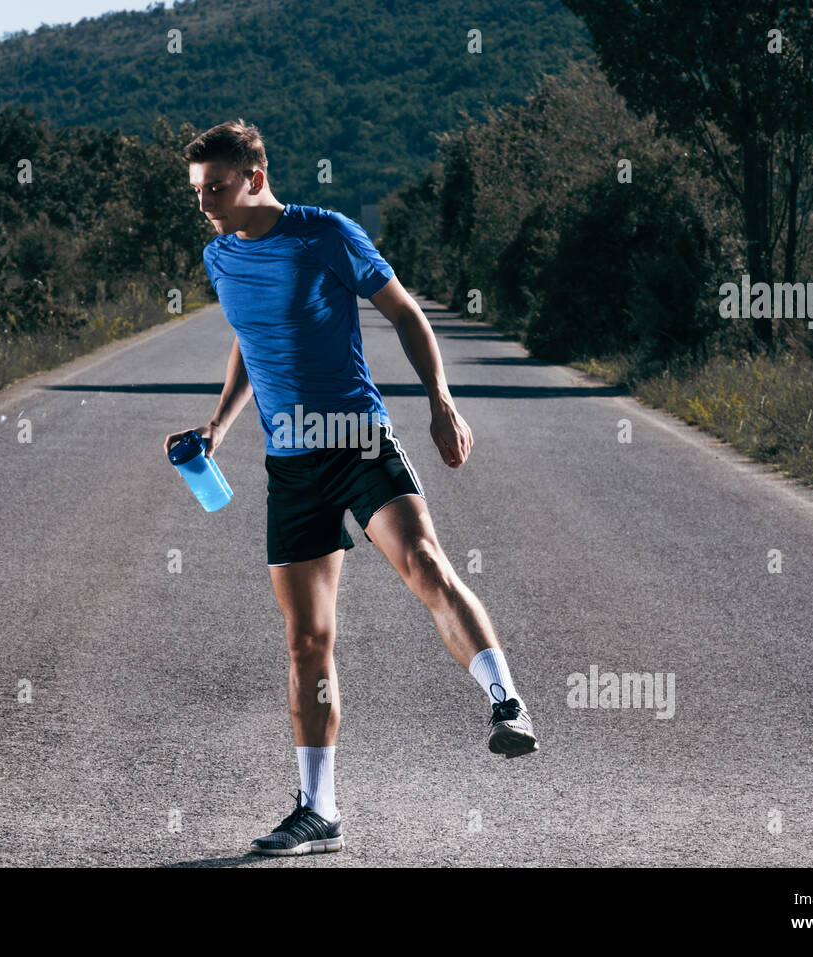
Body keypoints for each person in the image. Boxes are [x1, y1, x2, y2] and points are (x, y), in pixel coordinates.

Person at [165, 119, 536, 857]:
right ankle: (319, 810)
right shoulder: (219, 256)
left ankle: (507, 702)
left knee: (424, 563)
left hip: (357, 438)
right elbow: (249, 335)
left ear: (255, 176)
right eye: (197, 191)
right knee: (307, 641)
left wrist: (441, 403)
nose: (205, 203)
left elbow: (404, 313)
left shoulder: (325, 233)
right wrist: (217, 426)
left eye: (216, 187)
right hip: (292, 462)